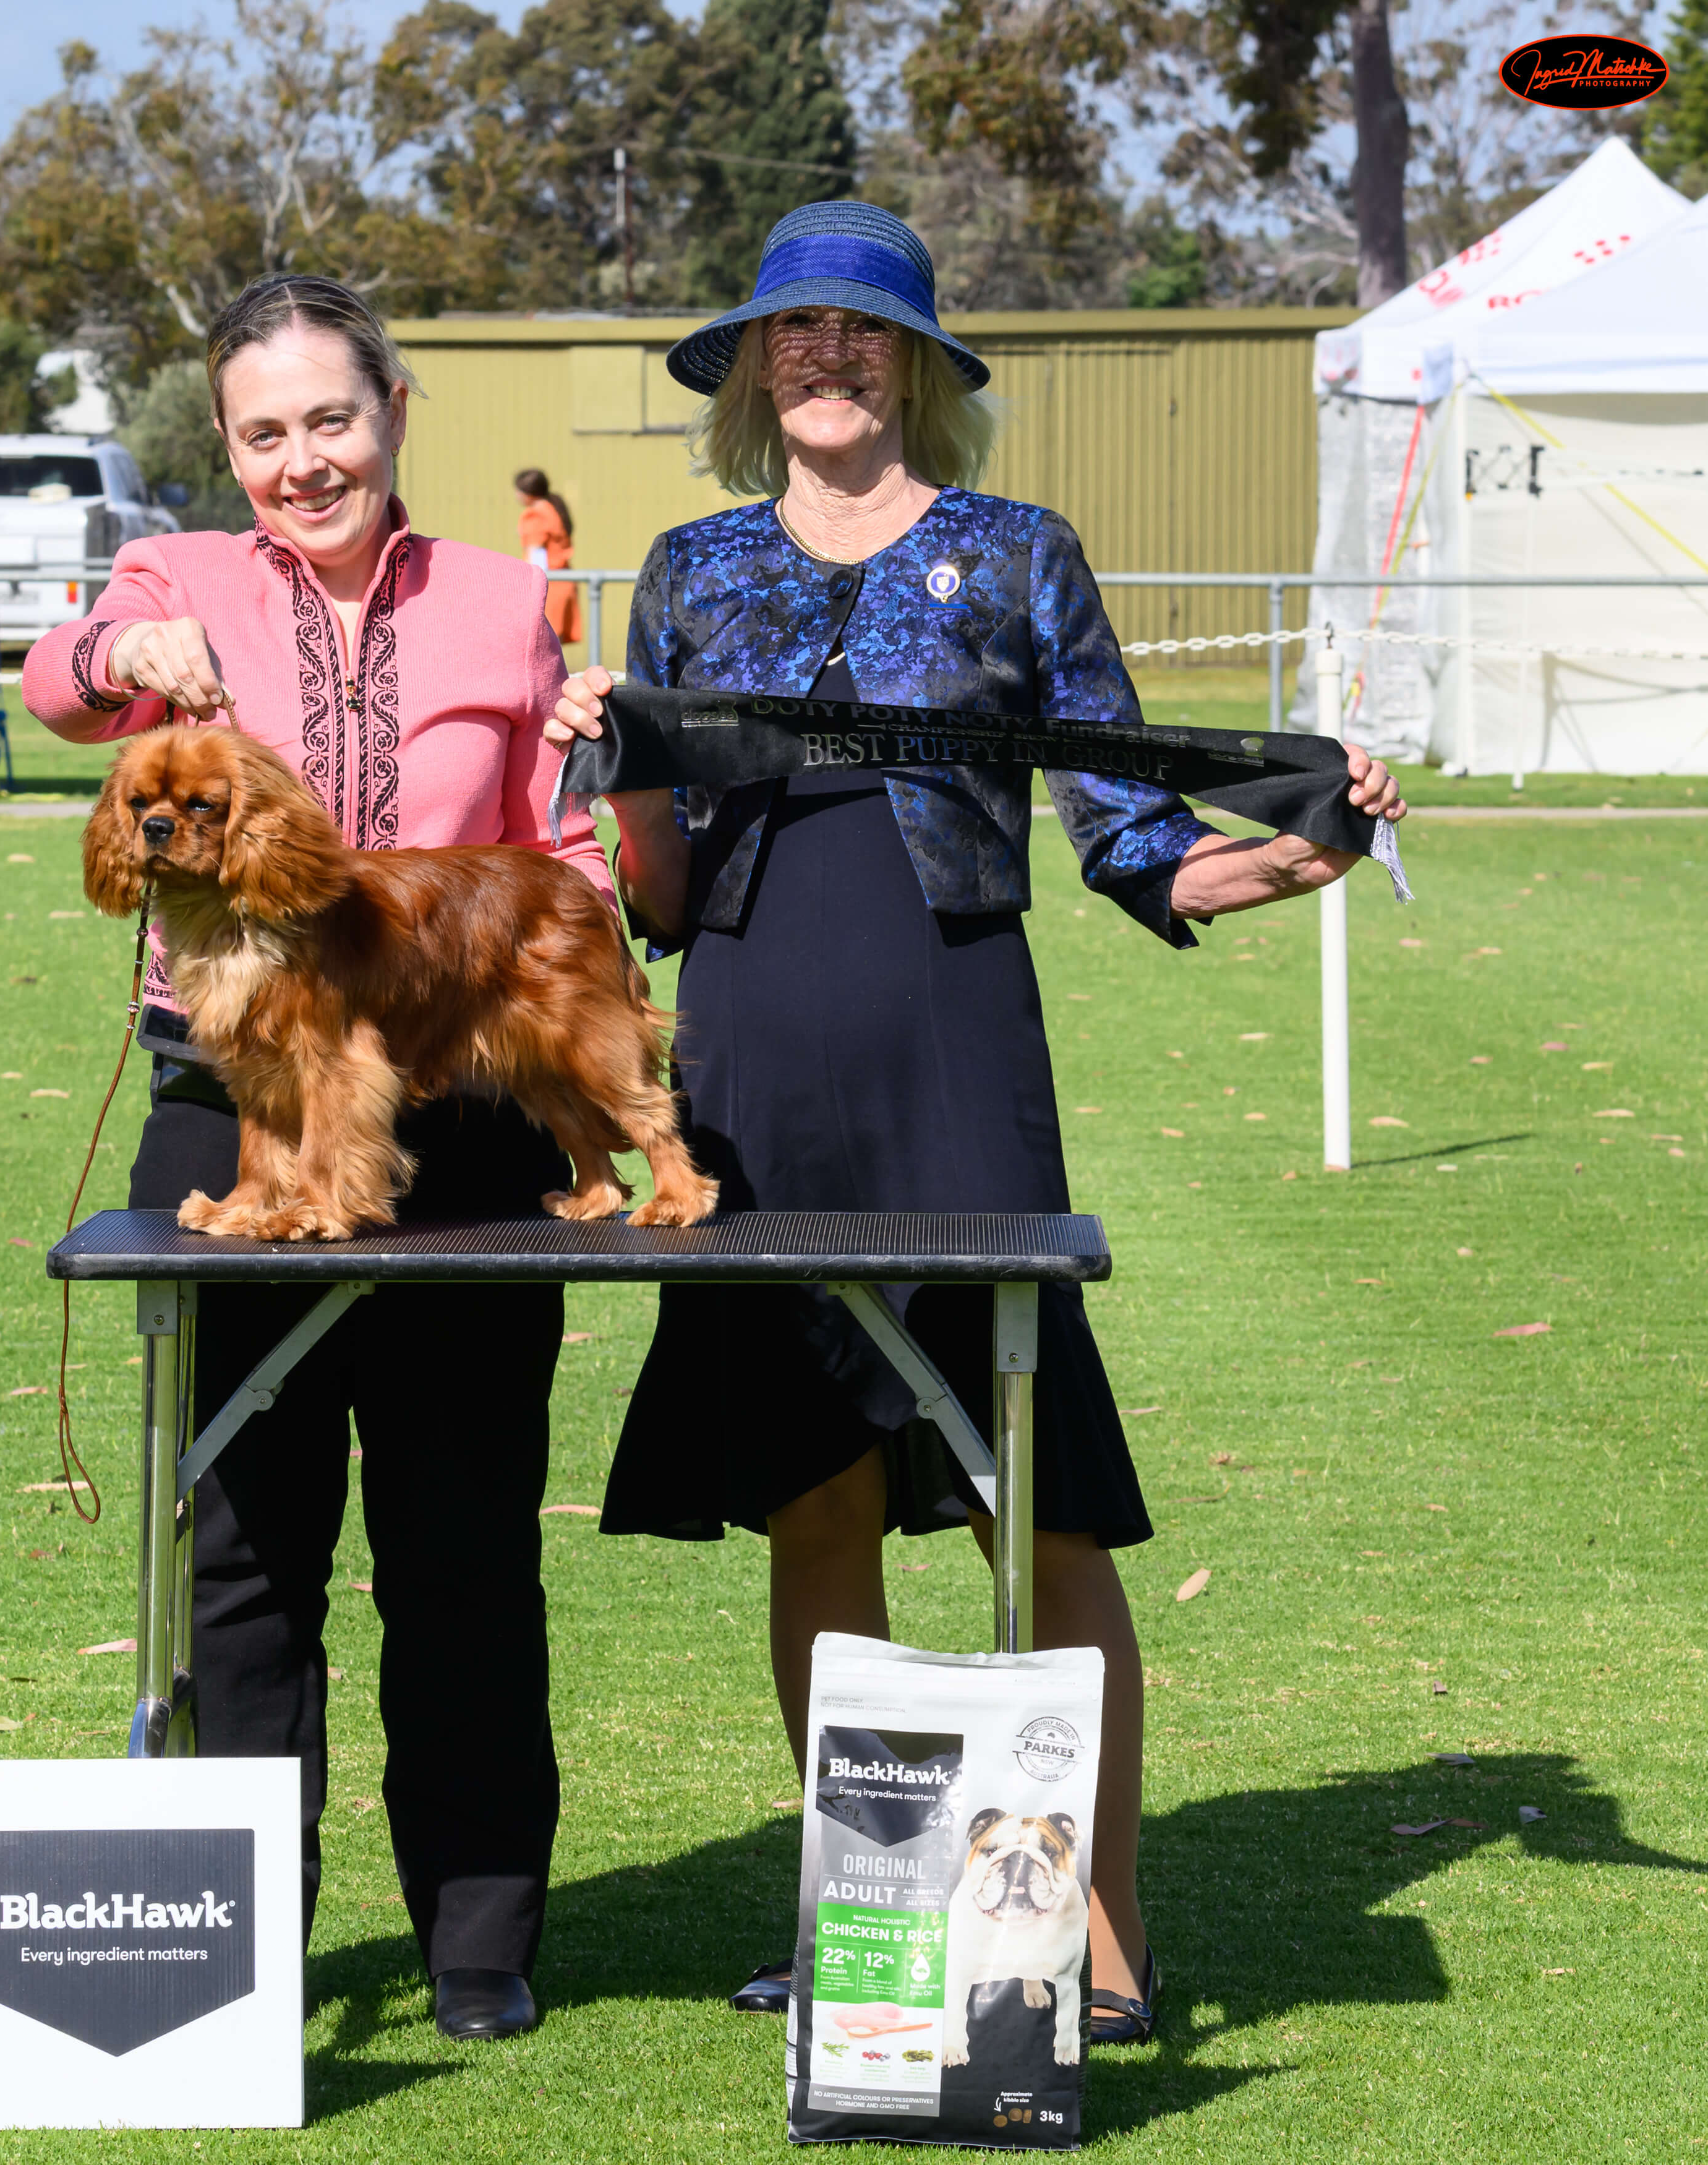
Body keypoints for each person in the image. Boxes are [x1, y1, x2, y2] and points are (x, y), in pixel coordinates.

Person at [545, 200, 1406, 2045]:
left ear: (920, 365)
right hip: (752, 1055)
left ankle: (1099, 1930)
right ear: (751, 367)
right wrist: (605, 775)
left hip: (957, 1050)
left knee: (1041, 1508)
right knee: (812, 1492)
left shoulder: (1018, 555)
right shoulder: (686, 567)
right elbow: (663, 896)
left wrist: (1308, 841)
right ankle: (869, 1912)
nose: (829, 358)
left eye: (864, 334)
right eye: (795, 333)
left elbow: (1127, 841)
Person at [22, 274, 612, 2043]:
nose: (303, 461)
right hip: (231, 1113)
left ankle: (480, 1933)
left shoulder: (509, 603)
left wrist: (591, 781)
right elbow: (54, 684)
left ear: (394, 413)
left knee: (460, 1544)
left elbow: (552, 854)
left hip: (463, 1115)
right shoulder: (172, 581)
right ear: (229, 449)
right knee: (244, 1549)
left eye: (331, 420)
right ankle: (230, 1954)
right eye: (265, 433)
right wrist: (123, 657)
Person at [515, 468, 585, 649]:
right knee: (554, 647)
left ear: (527, 493)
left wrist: (530, 590)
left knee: (543, 646)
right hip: (563, 582)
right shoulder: (554, 508)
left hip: (550, 585)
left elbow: (537, 557)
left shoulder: (536, 515)